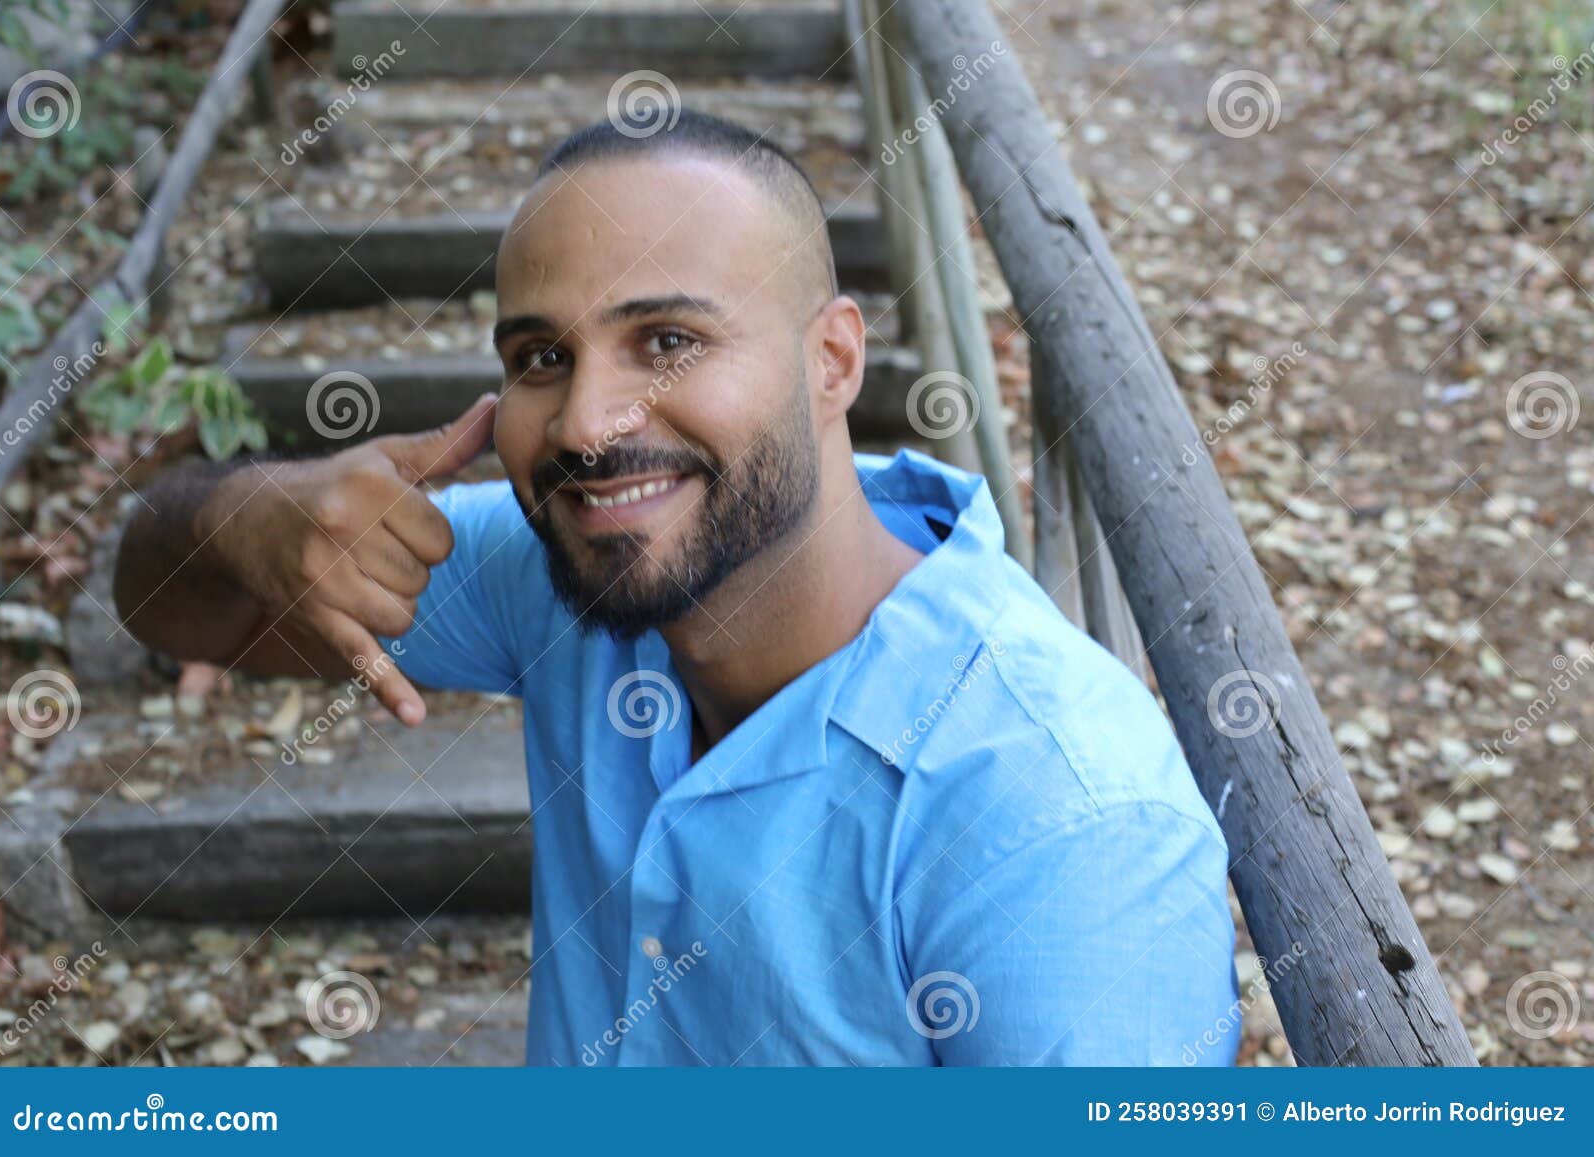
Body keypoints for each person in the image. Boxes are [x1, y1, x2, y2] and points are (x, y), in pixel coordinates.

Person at [116, 109, 1240, 1066]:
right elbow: (167, 604)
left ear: (832, 362)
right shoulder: (563, 565)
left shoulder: (1058, 818)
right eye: (540, 358)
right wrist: (238, 516)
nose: (587, 425)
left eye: (665, 339)